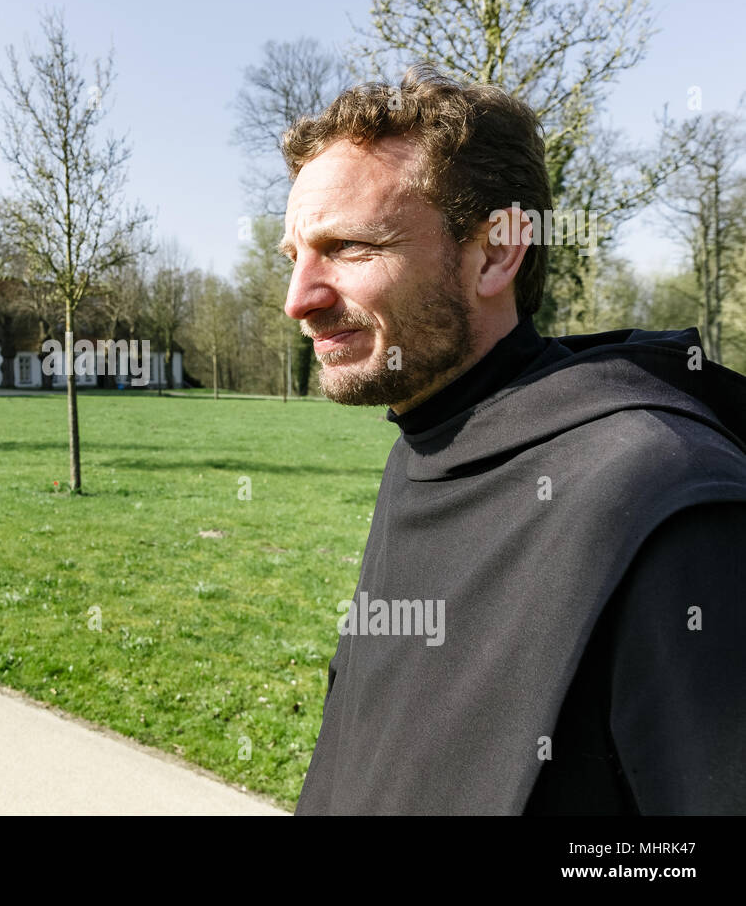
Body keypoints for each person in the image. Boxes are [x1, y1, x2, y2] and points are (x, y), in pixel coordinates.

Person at [281, 64, 746, 815]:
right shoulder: (426, 442)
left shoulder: (662, 495)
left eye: (349, 247)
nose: (298, 298)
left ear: (496, 252)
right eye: (295, 256)